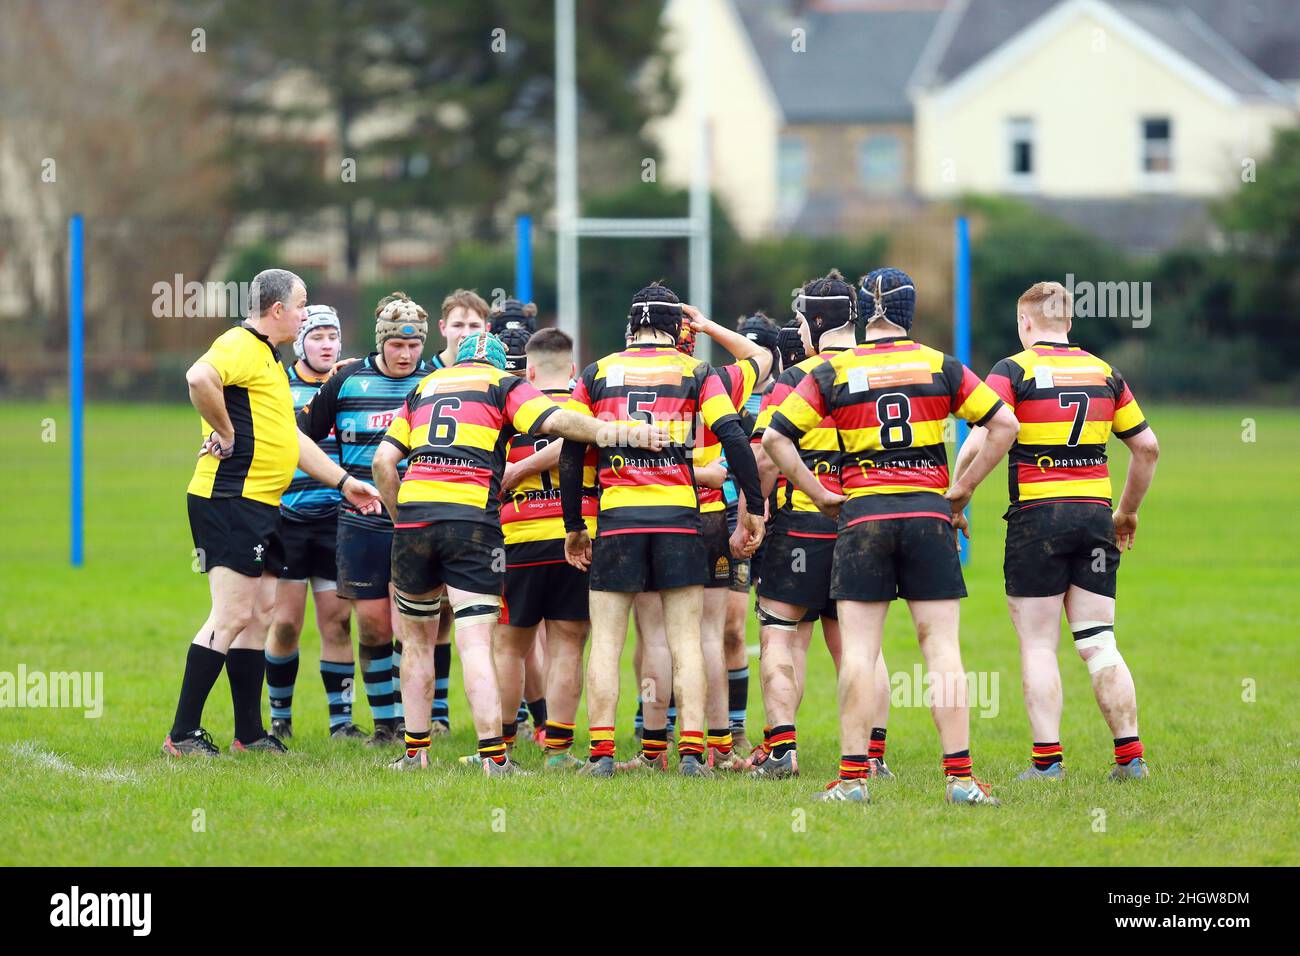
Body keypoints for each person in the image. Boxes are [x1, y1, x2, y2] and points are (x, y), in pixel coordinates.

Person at [763, 267, 1018, 804]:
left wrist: (820, 494)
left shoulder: (834, 369)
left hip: (863, 516)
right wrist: (963, 489)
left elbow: (778, 439)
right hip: (929, 514)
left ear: (860, 310)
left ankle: (853, 780)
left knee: (858, 651)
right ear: (910, 311)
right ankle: (961, 780)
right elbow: (1005, 426)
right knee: (942, 646)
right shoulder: (939, 365)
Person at [373, 332, 668, 774]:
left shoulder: (424, 387)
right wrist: (623, 431)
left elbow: (381, 463)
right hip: (475, 520)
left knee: (417, 642)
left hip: (418, 519)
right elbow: (561, 425)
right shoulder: (502, 385)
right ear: (507, 367)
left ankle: (415, 753)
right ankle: (500, 757)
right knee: (477, 643)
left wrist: (403, 520)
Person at [163, 269, 382, 757]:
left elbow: (293, 441)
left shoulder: (268, 358)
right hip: (230, 500)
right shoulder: (241, 343)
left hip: (263, 503)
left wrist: (346, 484)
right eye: (302, 305)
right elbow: (199, 377)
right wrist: (225, 431)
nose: (306, 315)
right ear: (278, 310)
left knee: (260, 614)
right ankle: (182, 734)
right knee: (235, 611)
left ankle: (249, 734)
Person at [952, 281, 1159, 782]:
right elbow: (1147, 448)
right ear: (1068, 321)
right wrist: (1126, 512)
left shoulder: (1012, 371)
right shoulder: (1105, 373)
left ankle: (1048, 764)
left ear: (1025, 323)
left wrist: (961, 494)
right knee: (1098, 641)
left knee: (1039, 644)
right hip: (1094, 516)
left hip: (1037, 519)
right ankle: (1130, 758)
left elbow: (981, 438)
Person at [560, 282, 766, 778]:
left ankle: (603, 755)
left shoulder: (598, 372)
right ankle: (693, 754)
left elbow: (571, 449)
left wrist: (574, 525)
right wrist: (754, 505)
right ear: (679, 328)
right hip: (679, 519)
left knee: (607, 643)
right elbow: (732, 435)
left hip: (619, 519)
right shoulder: (696, 371)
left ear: (631, 326)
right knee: (686, 641)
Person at [746, 281, 892, 779]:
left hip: (803, 526)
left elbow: (766, 454)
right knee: (862, 647)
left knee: (781, 635)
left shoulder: (797, 377)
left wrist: (755, 511)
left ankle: (783, 748)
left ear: (816, 323)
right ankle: (873, 756)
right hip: (864, 523)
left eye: (803, 322)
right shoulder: (880, 371)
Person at [624, 310, 771, 772]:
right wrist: (709, 325)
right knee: (707, 635)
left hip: (643, 510)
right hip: (705, 514)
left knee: (654, 637)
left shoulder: (620, 380)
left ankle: (653, 752)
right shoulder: (715, 379)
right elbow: (761, 356)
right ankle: (720, 746)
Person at [296, 292, 435, 746]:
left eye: (414, 347)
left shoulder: (434, 381)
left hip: (416, 518)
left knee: (407, 622)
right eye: (397, 346)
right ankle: (384, 725)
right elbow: (301, 434)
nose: (406, 355)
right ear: (382, 343)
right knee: (373, 623)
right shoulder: (347, 379)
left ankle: (410, 718)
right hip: (361, 519)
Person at [494, 328, 595, 770]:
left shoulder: (508, 411)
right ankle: (557, 751)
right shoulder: (585, 409)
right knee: (568, 645)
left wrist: (518, 469)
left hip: (518, 541)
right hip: (578, 537)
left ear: (528, 371)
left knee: (508, 647)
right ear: (572, 369)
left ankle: (500, 749)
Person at [264, 304, 365, 740]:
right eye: (317, 336)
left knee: (337, 621)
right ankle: (279, 717)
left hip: (335, 519)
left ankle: (341, 722)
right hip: (286, 519)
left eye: (332, 336)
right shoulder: (277, 386)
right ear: (300, 342)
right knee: (285, 623)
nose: (326, 345)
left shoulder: (349, 385)